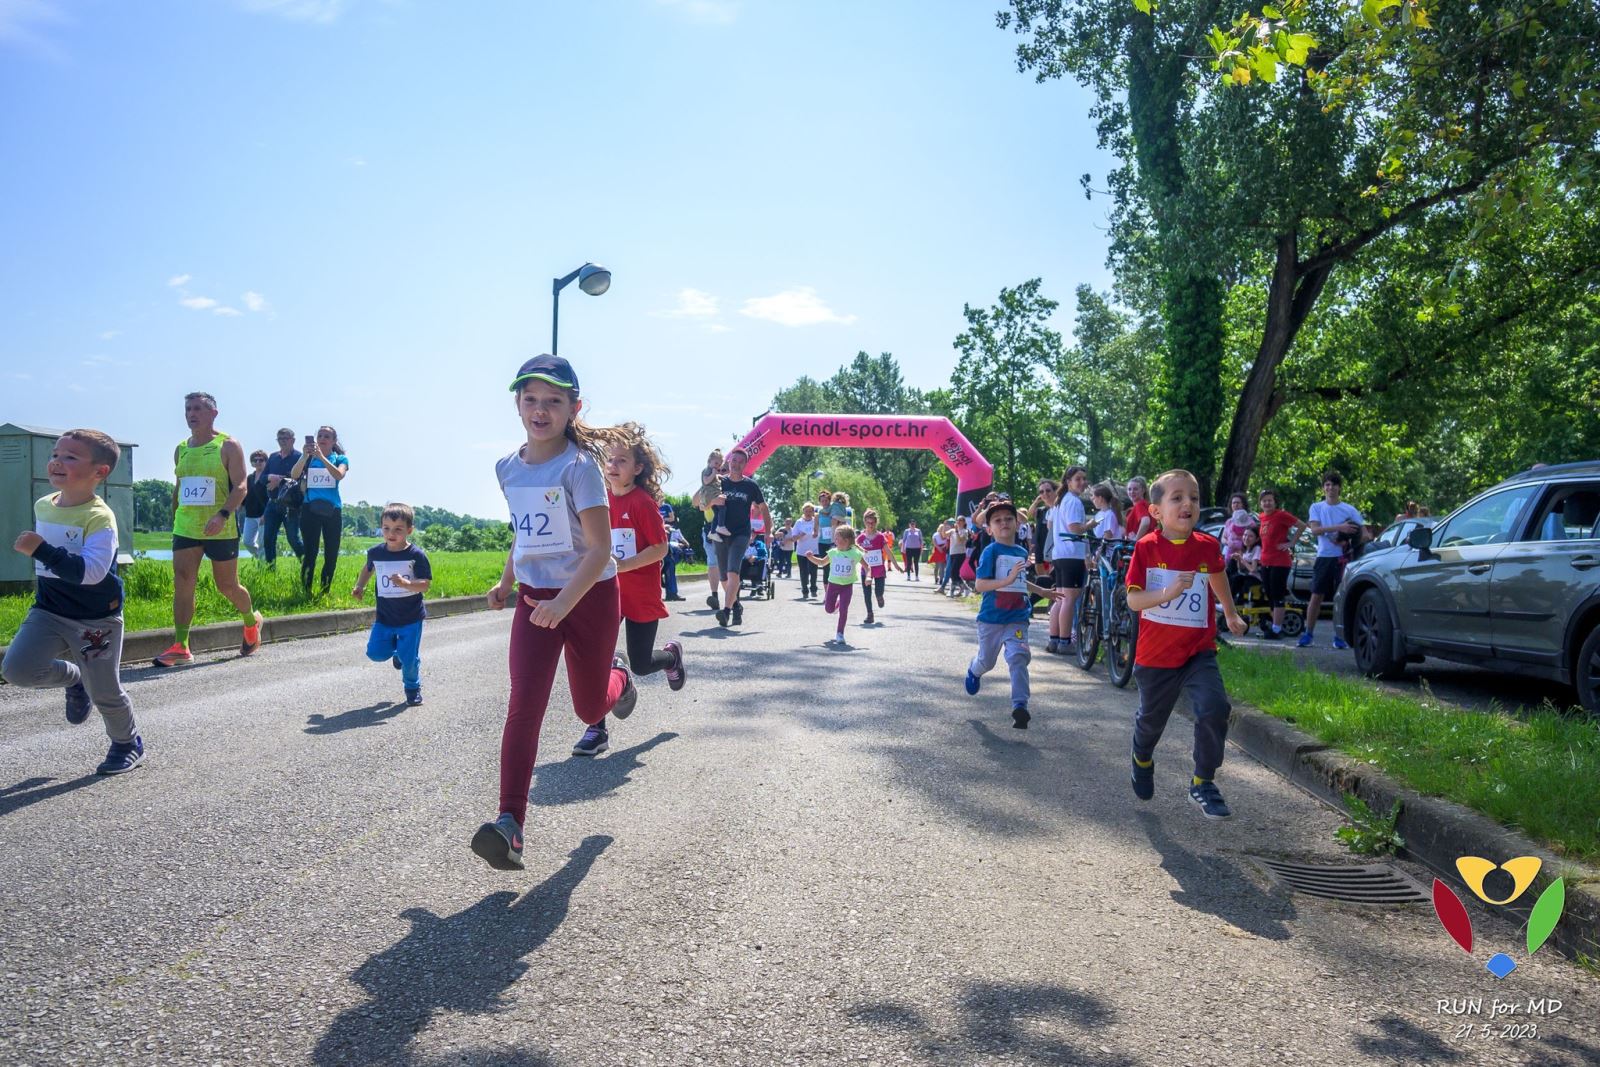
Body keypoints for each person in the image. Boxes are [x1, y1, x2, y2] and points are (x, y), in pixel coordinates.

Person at [474, 354, 640, 872]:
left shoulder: (579, 468)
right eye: (530, 399)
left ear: (573, 408)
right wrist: (506, 583)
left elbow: (599, 551)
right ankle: (510, 824)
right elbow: (525, 533)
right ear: (517, 404)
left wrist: (564, 603)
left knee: (590, 710)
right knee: (524, 704)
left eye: (553, 401)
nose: (540, 410)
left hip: (588, 597)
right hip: (533, 599)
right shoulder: (507, 467)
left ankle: (619, 678)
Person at [1, 430, 144, 774]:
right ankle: (73, 678)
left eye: (70, 457)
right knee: (16, 669)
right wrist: (43, 552)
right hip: (49, 609)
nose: (57, 461)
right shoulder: (43, 505)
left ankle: (127, 743)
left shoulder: (100, 517)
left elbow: (92, 572)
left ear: (100, 472)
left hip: (95, 619)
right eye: (55, 454)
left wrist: (41, 549)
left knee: (105, 692)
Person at [1124, 469, 1248, 820]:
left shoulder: (1207, 546)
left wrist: (1230, 611)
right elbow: (1134, 601)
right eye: (1176, 497)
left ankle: (1202, 781)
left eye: (1193, 497)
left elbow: (1216, 572)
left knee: (1214, 708)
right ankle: (1141, 756)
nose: (1187, 504)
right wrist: (1168, 592)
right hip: (1156, 656)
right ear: (1156, 511)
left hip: (1198, 651)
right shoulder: (1147, 548)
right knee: (1151, 722)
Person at [152, 392, 263, 667]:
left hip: (220, 528)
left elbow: (240, 485)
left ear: (213, 413)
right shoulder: (181, 448)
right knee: (183, 582)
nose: (192, 413)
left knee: (226, 585)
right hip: (186, 527)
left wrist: (223, 514)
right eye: (188, 408)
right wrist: (174, 516)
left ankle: (252, 622)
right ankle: (181, 645)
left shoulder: (227, 445)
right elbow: (180, 486)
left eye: (199, 408)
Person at [963, 499, 1068, 730]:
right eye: (997, 520)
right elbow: (980, 585)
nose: (1004, 523)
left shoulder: (1021, 551)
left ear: (1017, 522)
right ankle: (974, 669)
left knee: (1018, 658)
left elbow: (1020, 581)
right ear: (989, 528)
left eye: (1008, 519)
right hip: (991, 619)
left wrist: (1041, 591)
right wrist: (1006, 580)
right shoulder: (990, 551)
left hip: (1017, 617)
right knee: (987, 661)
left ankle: (1020, 706)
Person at [605, 424, 687, 713]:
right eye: (609, 458)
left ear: (638, 467)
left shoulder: (642, 503)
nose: (612, 465)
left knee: (640, 664)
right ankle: (596, 727)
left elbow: (661, 547)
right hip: (606, 593)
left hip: (640, 593)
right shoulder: (599, 499)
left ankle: (670, 658)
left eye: (621, 460)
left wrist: (624, 565)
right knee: (596, 658)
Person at [351, 502, 431, 706]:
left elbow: (424, 585)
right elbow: (368, 569)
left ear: (409, 530)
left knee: (409, 659)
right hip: (385, 617)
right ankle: (398, 653)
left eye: (398, 529)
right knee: (375, 653)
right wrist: (360, 586)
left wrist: (406, 583)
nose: (391, 533)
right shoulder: (376, 553)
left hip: (411, 618)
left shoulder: (416, 555)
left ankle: (412, 688)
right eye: (386, 528)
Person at [701, 446, 769, 628]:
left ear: (745, 464)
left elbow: (764, 508)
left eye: (741, 462)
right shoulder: (718, 481)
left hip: (741, 534)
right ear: (728, 462)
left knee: (733, 572)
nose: (736, 464)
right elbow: (699, 504)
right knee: (724, 578)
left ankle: (726, 611)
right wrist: (712, 501)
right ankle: (736, 605)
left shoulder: (750, 485)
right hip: (720, 535)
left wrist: (768, 533)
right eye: (734, 461)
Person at [1300, 470, 1364, 649]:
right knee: (1316, 596)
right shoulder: (1316, 507)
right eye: (1327, 485)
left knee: (1341, 597)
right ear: (1323, 488)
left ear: (1339, 488)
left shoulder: (1349, 509)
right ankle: (1308, 634)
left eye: (1334, 484)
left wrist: (1347, 541)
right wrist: (1339, 527)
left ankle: (1339, 637)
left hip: (1344, 559)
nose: (1330, 488)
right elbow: (1314, 530)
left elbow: (1363, 533)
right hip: (1324, 557)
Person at [290, 425, 349, 596]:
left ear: (333, 441)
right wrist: (304, 455)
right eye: (320, 435)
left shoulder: (340, 459)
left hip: (332, 510)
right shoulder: (308, 459)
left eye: (327, 436)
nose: (322, 438)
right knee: (310, 552)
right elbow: (294, 475)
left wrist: (322, 457)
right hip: (310, 510)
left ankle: (325, 590)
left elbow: (339, 475)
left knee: (331, 553)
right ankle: (306, 590)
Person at [1047, 466, 1089, 655]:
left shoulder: (1060, 501)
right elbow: (1074, 529)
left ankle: (1054, 640)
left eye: (1084, 479)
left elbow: (1050, 526)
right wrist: (1091, 524)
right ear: (1068, 481)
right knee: (1069, 599)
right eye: (1078, 479)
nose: (1082, 482)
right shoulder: (1073, 501)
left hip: (1061, 554)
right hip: (1072, 554)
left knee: (1061, 598)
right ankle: (1065, 641)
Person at [804, 524, 864, 646]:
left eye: (837, 539)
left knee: (844, 610)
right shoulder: (833, 552)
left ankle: (840, 633)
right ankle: (835, 606)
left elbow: (867, 567)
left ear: (846, 541)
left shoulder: (855, 553)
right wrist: (811, 557)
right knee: (829, 609)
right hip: (833, 585)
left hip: (847, 586)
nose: (834, 541)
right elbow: (821, 562)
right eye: (835, 538)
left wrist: (868, 576)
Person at [1255, 489, 1303, 640]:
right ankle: (1273, 625)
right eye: (1264, 501)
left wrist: (1291, 543)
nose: (1267, 503)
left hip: (1280, 561)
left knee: (1277, 594)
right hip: (1265, 560)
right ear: (1260, 503)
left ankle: (1277, 630)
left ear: (1275, 502)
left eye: (1270, 500)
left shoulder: (1281, 515)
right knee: (1269, 593)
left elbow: (1302, 525)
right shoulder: (1262, 517)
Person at [260, 428, 304, 567]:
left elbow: (301, 478)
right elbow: (262, 478)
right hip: (272, 504)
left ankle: (307, 564)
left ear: (293, 440)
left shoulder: (299, 457)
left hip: (291, 505)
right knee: (268, 539)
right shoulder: (273, 457)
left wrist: (280, 480)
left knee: (293, 539)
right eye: (280, 439)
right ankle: (270, 571)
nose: (282, 442)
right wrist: (270, 477)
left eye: (285, 438)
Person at [856, 509, 900, 625]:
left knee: (878, 591)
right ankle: (870, 614)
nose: (870, 525)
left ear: (876, 523)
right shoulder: (860, 538)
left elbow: (888, 551)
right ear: (865, 522)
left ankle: (880, 596)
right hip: (866, 570)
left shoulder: (880, 537)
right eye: (868, 523)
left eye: (873, 523)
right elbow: (853, 552)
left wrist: (896, 565)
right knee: (867, 593)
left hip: (879, 570)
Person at [697, 465, 723, 610]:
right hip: (709, 529)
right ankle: (714, 596)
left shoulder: (727, 485)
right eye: (715, 470)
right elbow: (698, 504)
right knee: (713, 563)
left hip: (727, 529)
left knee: (725, 564)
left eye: (720, 470)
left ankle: (733, 599)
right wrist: (711, 501)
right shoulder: (705, 487)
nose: (718, 473)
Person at [241, 450, 270, 556]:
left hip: (264, 515)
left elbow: (272, 497)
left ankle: (264, 569)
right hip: (250, 515)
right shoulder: (249, 478)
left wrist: (266, 514)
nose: (258, 462)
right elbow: (244, 495)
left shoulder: (268, 477)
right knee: (247, 542)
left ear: (266, 462)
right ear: (251, 463)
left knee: (262, 543)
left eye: (261, 460)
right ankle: (260, 557)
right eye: (255, 460)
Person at [791, 503, 821, 599]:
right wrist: (801, 535)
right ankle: (804, 590)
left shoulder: (816, 521)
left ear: (813, 512)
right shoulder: (799, 522)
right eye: (806, 511)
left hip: (814, 550)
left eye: (810, 511)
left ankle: (813, 589)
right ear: (803, 511)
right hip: (801, 551)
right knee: (803, 571)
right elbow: (793, 538)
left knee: (813, 571)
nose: (808, 513)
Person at [1229, 526, 1264, 606]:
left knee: (1236, 579)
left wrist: (1242, 559)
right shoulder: (1245, 549)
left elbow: (1253, 569)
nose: (1246, 538)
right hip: (1247, 576)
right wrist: (1238, 559)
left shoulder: (1257, 548)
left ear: (1257, 539)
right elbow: (1241, 569)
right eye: (1245, 535)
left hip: (1256, 578)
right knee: (1231, 569)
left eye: (1250, 536)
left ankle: (1230, 602)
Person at [1220, 492, 1255, 562]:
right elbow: (1223, 538)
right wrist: (1228, 542)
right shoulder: (1228, 522)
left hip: (1244, 556)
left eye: (1238, 503)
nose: (1236, 505)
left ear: (1243, 505)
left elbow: (1254, 540)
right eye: (1233, 503)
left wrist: (1240, 542)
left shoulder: (1250, 522)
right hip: (1228, 555)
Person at [946, 515, 973, 597]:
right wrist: (945, 526)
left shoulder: (965, 531)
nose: (959, 522)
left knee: (953, 572)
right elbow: (944, 535)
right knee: (954, 573)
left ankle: (952, 590)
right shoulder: (952, 530)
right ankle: (965, 588)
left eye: (961, 520)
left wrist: (957, 532)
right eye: (958, 520)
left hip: (960, 553)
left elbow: (959, 541)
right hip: (953, 553)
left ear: (964, 522)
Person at [662, 521, 689, 601]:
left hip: (667, 552)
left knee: (670, 568)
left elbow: (686, 543)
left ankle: (671, 594)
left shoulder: (675, 531)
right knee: (668, 568)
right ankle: (670, 593)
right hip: (660, 550)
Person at [1125, 476, 1154, 540]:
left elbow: (1146, 522)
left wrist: (1135, 540)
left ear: (1143, 490)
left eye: (1135, 489)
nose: (1132, 492)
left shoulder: (1139, 505)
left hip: (1141, 545)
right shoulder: (1147, 505)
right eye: (1129, 489)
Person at [931, 521, 951, 592]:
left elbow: (947, 542)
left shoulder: (946, 535)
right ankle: (936, 578)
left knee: (942, 566)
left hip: (944, 550)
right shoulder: (935, 535)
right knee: (937, 566)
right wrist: (939, 548)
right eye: (942, 528)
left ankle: (941, 579)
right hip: (937, 550)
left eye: (944, 528)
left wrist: (943, 547)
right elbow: (934, 542)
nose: (943, 529)